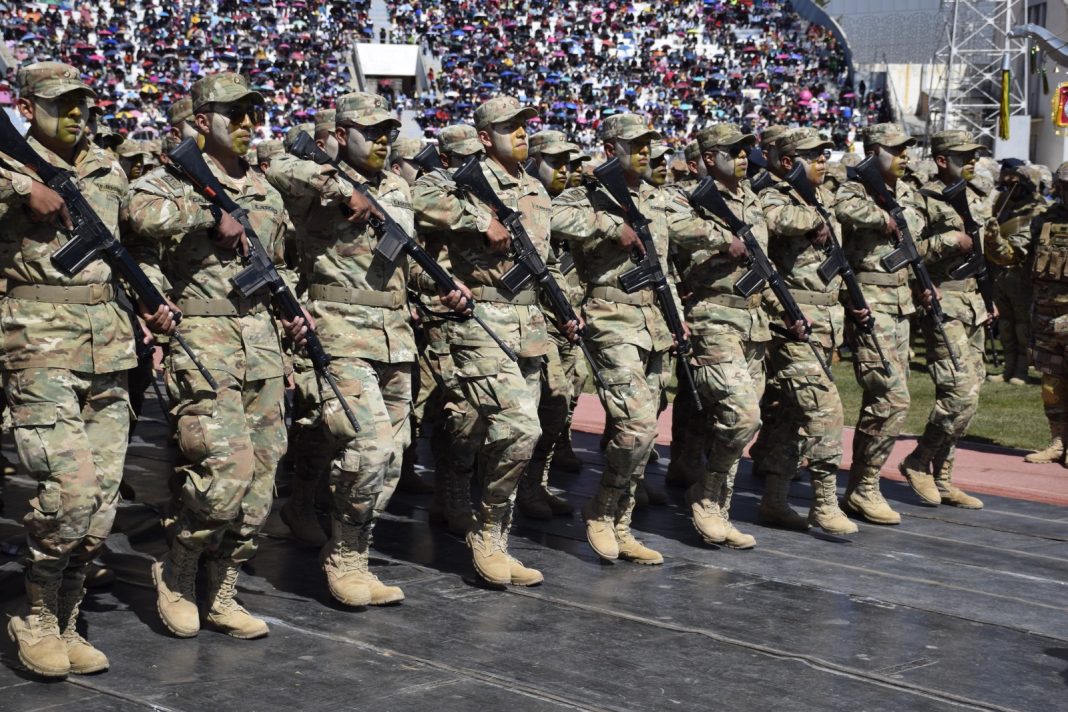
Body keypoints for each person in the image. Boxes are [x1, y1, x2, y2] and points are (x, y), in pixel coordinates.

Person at [124, 72, 305, 640]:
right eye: (236, 114)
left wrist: (295, 309)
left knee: (260, 488)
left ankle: (222, 587)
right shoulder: (168, 182)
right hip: (204, 345)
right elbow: (137, 225)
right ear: (201, 120)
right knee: (225, 472)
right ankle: (178, 571)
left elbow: (281, 263)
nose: (249, 125)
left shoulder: (267, 192)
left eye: (254, 114)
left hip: (264, 349)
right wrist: (208, 215)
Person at [0, 61, 151, 677]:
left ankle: (66, 615)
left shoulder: (105, 165)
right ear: (26, 106)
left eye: (81, 103)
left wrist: (152, 300)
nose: (76, 114)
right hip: (39, 348)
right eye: (61, 103)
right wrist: (18, 190)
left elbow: (135, 248)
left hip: (108, 347)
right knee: (69, 493)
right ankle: (35, 615)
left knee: (102, 505)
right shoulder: (11, 164)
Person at [423, 97, 567, 585]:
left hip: (528, 326)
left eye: (525, 125)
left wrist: (566, 311)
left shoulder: (536, 190)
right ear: (485, 137)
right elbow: (414, 200)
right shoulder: (461, 182)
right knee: (520, 427)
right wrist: (476, 219)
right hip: (481, 323)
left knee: (508, 436)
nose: (522, 133)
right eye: (509, 127)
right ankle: (483, 532)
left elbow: (544, 264)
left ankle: (496, 537)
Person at [552, 113, 677, 564]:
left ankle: (622, 524)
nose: (647, 151)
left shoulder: (655, 198)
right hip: (609, 322)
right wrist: (608, 224)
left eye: (649, 143)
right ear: (609, 150)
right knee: (637, 426)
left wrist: (677, 323)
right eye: (635, 144)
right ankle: (601, 512)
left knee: (646, 434)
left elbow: (667, 270)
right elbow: (553, 217)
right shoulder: (585, 195)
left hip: (653, 324)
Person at [666, 123, 769, 550]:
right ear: (709, 157)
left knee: (737, 426)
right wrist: (720, 237)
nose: (744, 157)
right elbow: (671, 227)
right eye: (734, 150)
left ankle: (718, 508)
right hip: (712, 319)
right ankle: (706, 496)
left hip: (753, 323)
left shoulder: (753, 199)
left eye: (747, 150)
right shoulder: (683, 196)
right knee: (743, 415)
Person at [756, 127, 859, 535]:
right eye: (813, 154)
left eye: (824, 154)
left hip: (824, 325)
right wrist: (813, 216)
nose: (822, 160)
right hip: (791, 326)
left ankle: (774, 498)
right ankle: (824, 502)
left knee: (792, 418)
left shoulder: (822, 198)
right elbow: (774, 220)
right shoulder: (773, 195)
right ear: (786, 163)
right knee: (825, 410)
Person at [833, 123, 927, 525]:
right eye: (896, 149)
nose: (905, 155)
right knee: (891, 397)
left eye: (907, 149)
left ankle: (862, 484)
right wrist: (880, 215)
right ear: (874, 152)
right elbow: (842, 208)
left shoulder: (907, 191)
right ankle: (864, 487)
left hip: (900, 304)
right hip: (869, 303)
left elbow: (917, 233)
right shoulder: (856, 187)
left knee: (890, 398)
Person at [898, 130, 993, 510]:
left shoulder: (976, 197)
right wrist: (948, 241)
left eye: (975, 155)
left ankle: (943, 476)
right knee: (959, 392)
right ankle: (918, 460)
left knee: (972, 393)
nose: (972, 160)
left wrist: (989, 298)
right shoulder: (924, 198)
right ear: (941, 159)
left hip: (973, 302)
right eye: (963, 155)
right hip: (943, 302)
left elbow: (987, 254)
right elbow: (909, 249)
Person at [411, 124, 491, 537]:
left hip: (469, 313)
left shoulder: (480, 188)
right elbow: (427, 206)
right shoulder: (432, 188)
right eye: (463, 159)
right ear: (443, 160)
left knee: (460, 409)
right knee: (430, 410)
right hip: (432, 313)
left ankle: (450, 496)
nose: (471, 166)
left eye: (476, 158)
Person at [517, 129, 584, 520]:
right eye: (555, 162)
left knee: (557, 402)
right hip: (510, 318)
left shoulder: (562, 201)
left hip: (552, 320)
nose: (564, 170)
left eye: (568, 164)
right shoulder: (520, 197)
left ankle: (534, 486)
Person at [1023, 162, 1068, 464]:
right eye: (1065, 185)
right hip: (1045, 315)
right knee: (1051, 384)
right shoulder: (1043, 221)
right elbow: (1024, 261)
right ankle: (1058, 442)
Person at [987, 159, 1046, 386]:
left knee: (1022, 326)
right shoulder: (1003, 203)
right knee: (1005, 325)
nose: (1010, 187)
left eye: (1016, 183)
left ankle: (1021, 369)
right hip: (1001, 274)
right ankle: (1007, 367)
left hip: (1022, 275)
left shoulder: (1037, 209)